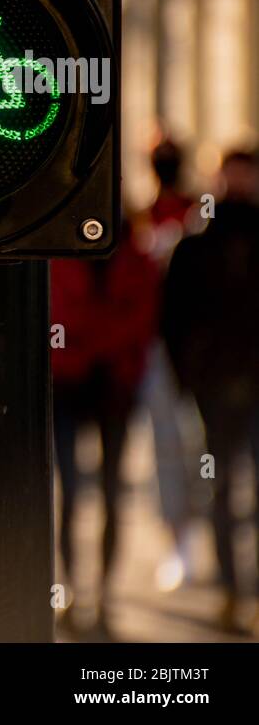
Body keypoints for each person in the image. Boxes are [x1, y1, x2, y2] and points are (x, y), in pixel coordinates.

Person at [162, 149, 259, 634]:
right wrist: (189, 378)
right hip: (216, 386)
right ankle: (230, 590)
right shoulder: (198, 241)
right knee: (221, 487)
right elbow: (174, 316)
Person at [51, 221, 160, 638]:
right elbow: (59, 315)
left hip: (114, 386)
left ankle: (104, 592)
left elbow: (141, 319)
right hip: (70, 384)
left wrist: (95, 344)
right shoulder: (60, 249)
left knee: (111, 493)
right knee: (71, 494)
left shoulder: (137, 257)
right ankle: (72, 589)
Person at [138, 138, 207, 591]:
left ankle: (201, 536)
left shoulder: (198, 214)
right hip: (157, 345)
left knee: (200, 446)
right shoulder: (142, 216)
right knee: (167, 444)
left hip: (197, 347)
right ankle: (178, 540)